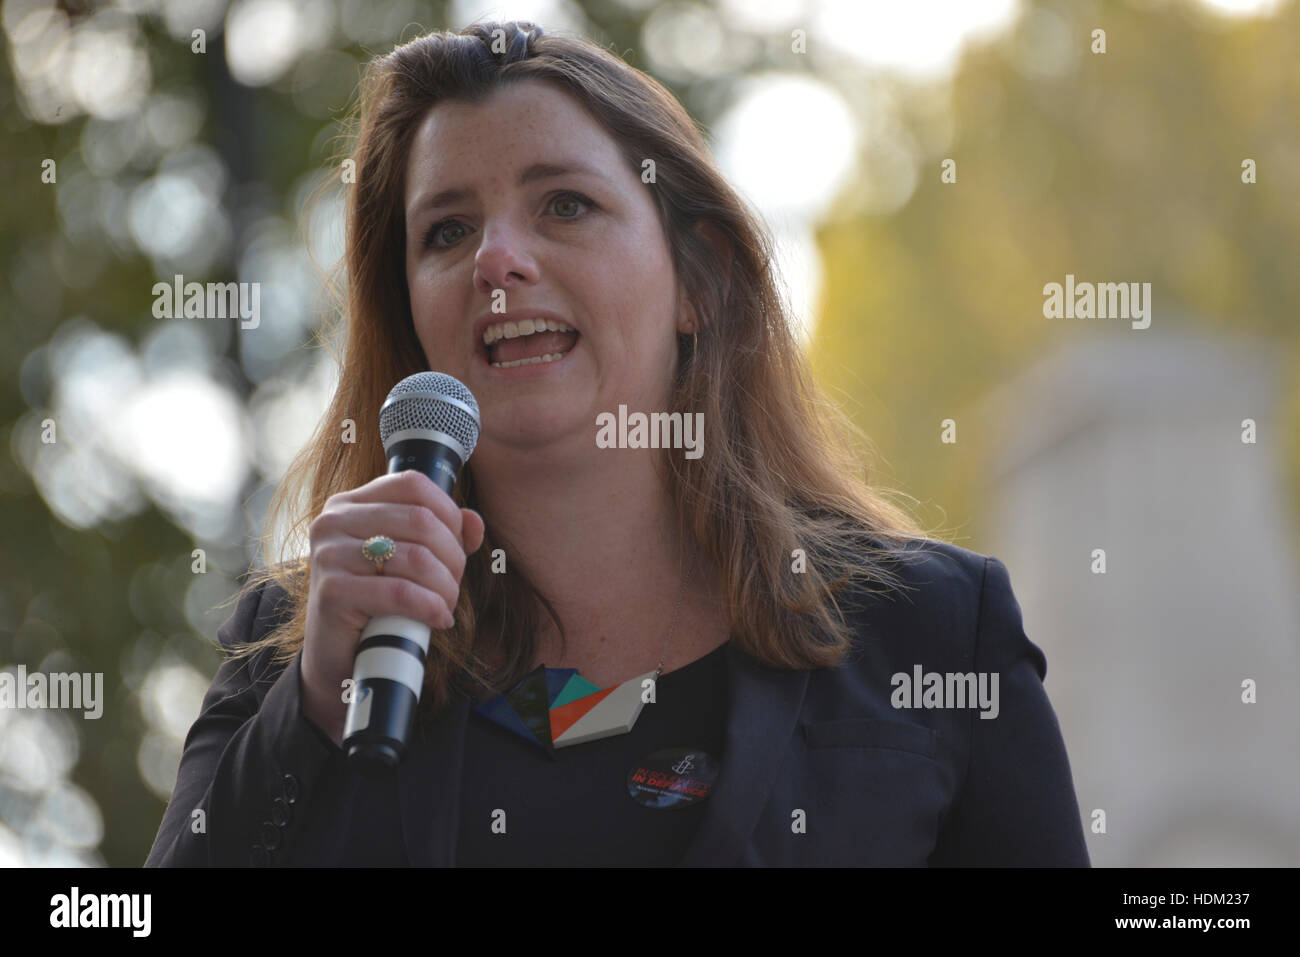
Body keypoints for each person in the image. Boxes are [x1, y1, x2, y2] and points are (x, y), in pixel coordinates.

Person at [144, 20, 1089, 867]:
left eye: (563, 204)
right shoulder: (304, 648)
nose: (496, 260)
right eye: (448, 229)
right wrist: (309, 708)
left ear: (701, 281)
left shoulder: (930, 632)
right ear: (410, 314)